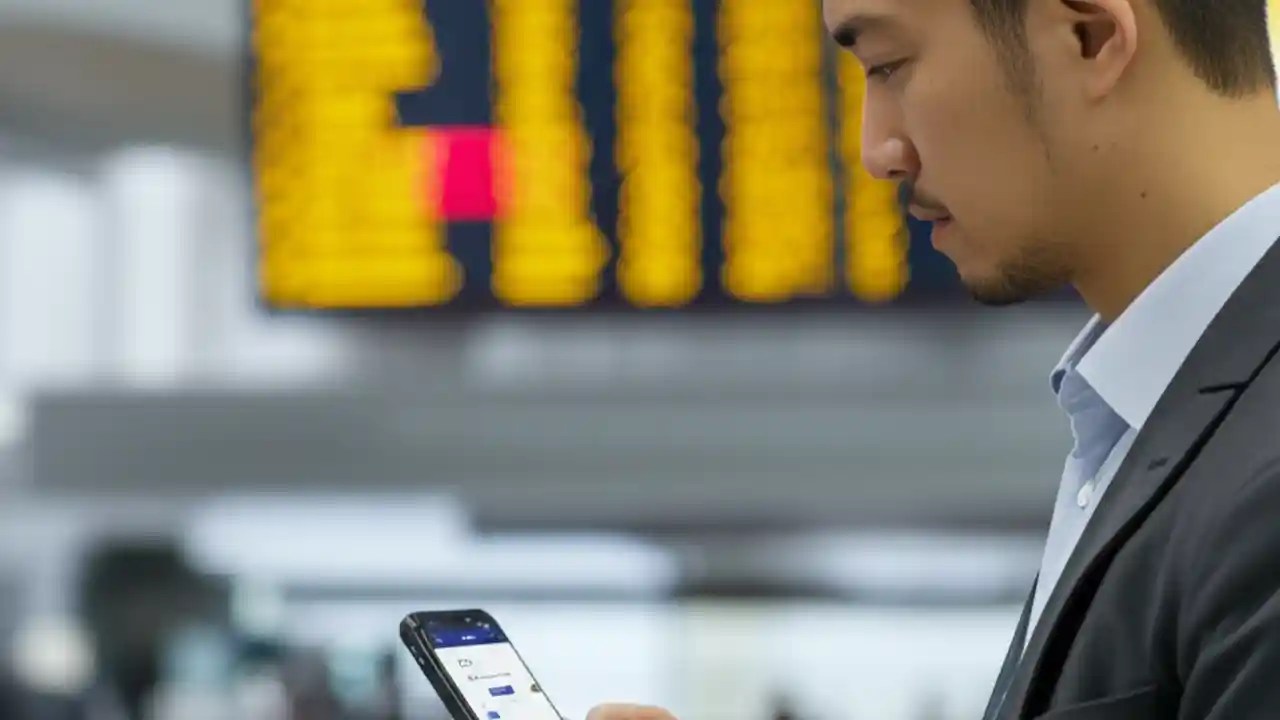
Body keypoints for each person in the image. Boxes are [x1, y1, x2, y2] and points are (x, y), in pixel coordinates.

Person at [589, 0, 1280, 718]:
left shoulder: (1259, 472)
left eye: (889, 66)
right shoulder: (1165, 424)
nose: (876, 151)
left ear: (1090, 36)